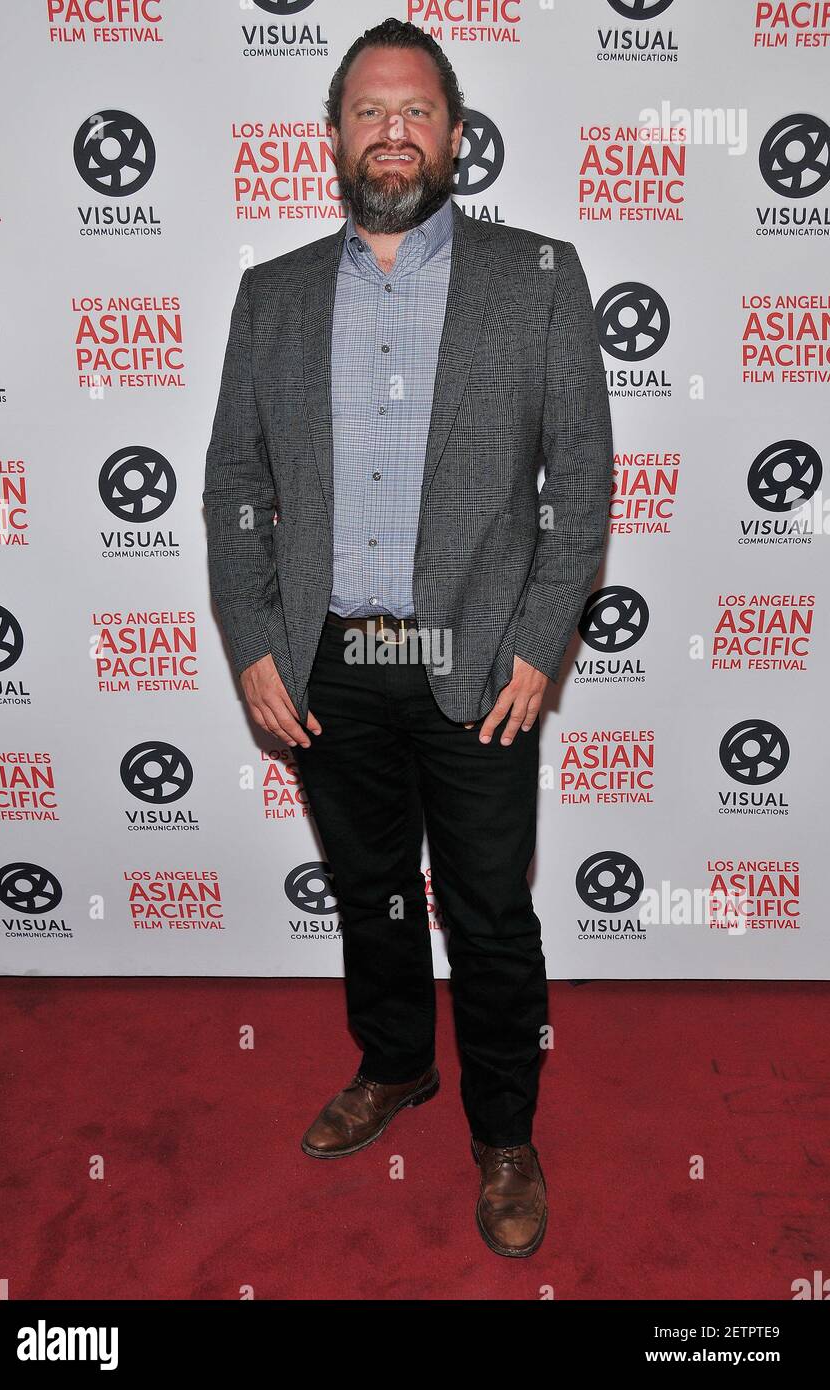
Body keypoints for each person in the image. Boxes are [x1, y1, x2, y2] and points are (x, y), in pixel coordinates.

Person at [203, 17, 613, 1258]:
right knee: (371, 893)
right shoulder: (269, 295)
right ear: (333, 135)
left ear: (452, 134)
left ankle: (502, 1135)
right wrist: (252, 638)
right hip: (329, 659)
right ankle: (393, 1067)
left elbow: (580, 483)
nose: (393, 131)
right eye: (369, 111)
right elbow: (233, 476)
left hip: (479, 659)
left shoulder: (537, 275)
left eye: (417, 111)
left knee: (487, 910)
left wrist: (541, 641)